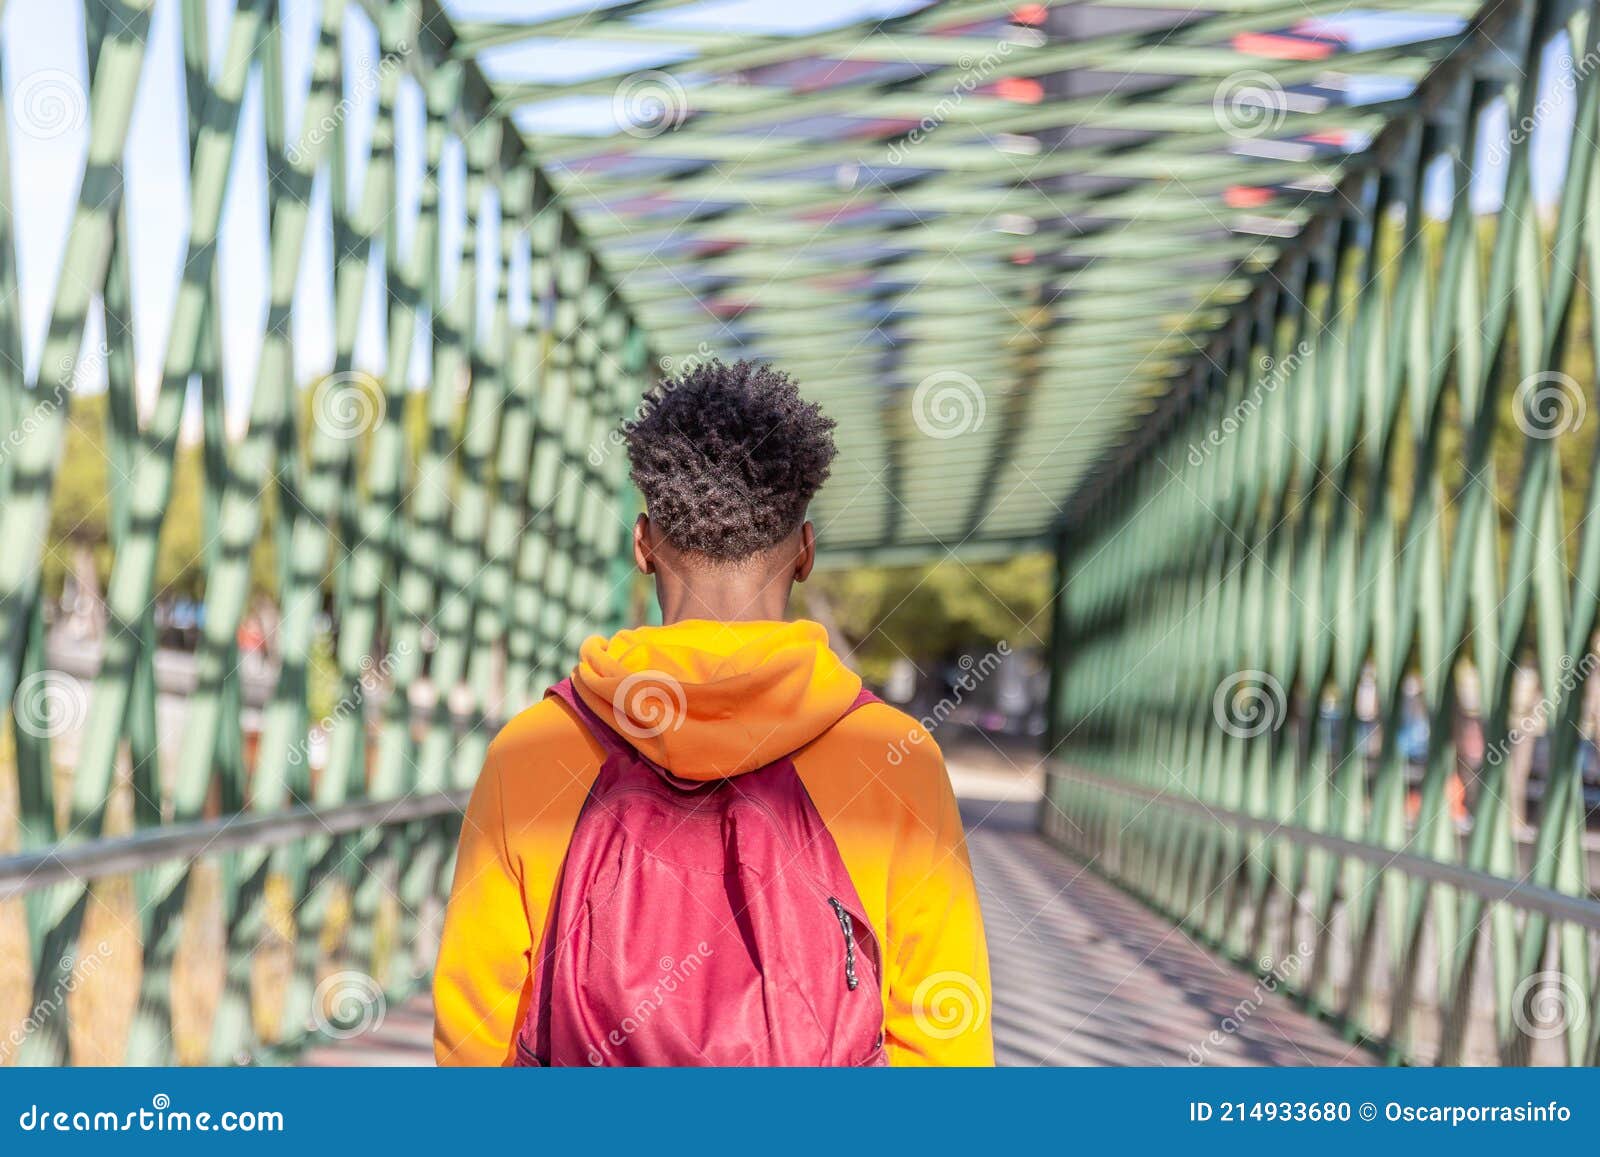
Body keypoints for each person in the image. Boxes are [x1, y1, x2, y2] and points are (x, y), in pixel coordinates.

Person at [433, 360, 992, 1066]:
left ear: (642, 546)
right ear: (805, 553)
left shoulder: (535, 748)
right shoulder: (895, 755)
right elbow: (944, 1038)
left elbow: (474, 1031)